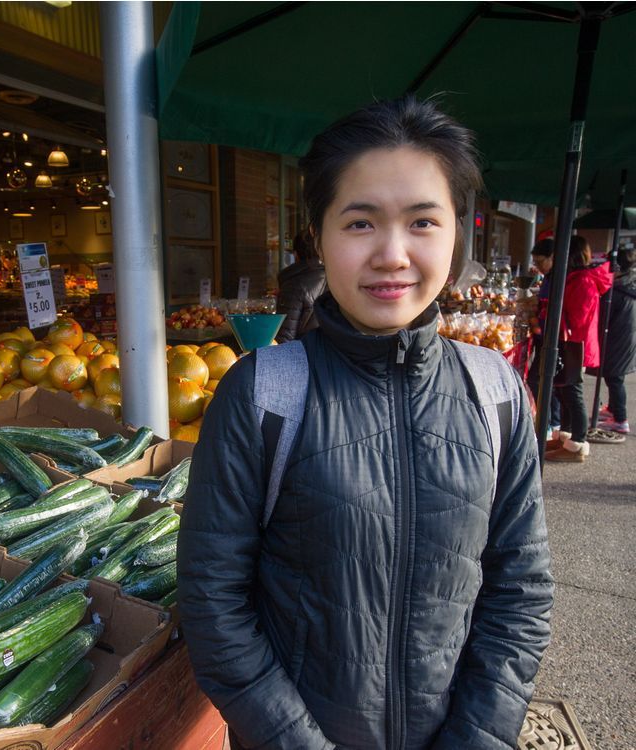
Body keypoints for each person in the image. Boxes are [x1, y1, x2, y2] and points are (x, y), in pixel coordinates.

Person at [178, 97, 553, 749]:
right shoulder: (263, 394)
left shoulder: (496, 392)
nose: (393, 254)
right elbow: (214, 605)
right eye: (359, 223)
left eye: (422, 222)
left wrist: (478, 738)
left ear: (456, 234)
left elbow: (519, 592)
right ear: (318, 236)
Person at [546, 235, 615, 461]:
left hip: (576, 344)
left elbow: (578, 317)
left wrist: (553, 316)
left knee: (572, 392)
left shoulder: (582, 279)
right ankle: (567, 436)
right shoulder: (576, 277)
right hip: (573, 342)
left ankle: (577, 442)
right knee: (565, 390)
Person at [526, 238, 562, 436]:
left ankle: (547, 425)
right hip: (544, 336)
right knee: (547, 380)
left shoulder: (559, 279)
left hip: (551, 337)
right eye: (535, 262)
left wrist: (537, 322)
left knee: (541, 379)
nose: (538, 266)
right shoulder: (549, 277)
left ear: (553, 258)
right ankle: (553, 422)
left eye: (540, 261)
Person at [599, 246, 636, 434]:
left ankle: (620, 419)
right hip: (626, 337)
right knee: (615, 375)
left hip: (619, 338)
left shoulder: (619, 290)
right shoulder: (629, 285)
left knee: (614, 377)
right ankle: (613, 410)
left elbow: (606, 317)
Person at [275, 230, 327, 342]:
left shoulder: (294, 284)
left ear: (295, 254)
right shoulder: (335, 278)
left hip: (304, 355)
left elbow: (284, 338)